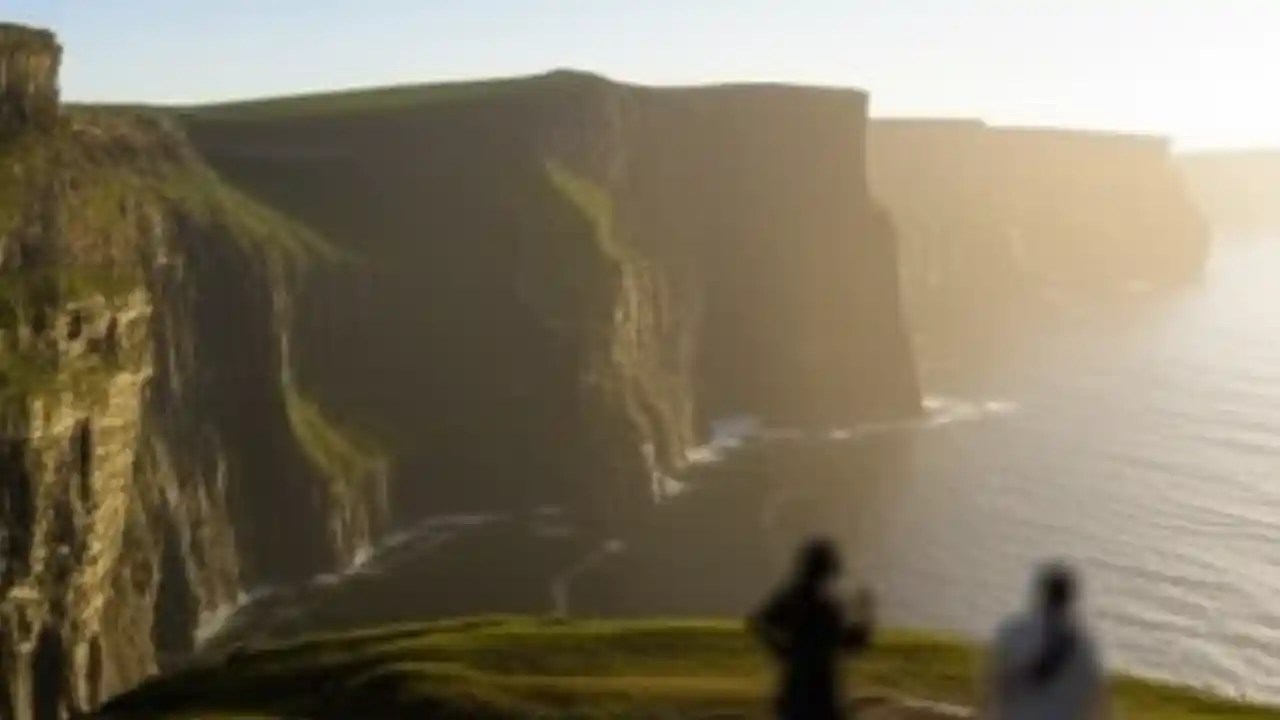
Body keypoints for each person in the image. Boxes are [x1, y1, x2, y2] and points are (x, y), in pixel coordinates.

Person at [751, 538, 875, 720]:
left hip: (795, 689)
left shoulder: (791, 598)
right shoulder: (828, 607)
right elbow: (851, 644)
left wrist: (780, 650)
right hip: (823, 691)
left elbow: (760, 622)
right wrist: (865, 615)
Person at [983, 562, 1111, 720]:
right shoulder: (1085, 647)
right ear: (1071, 600)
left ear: (1041, 594)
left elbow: (993, 689)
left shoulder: (1013, 632)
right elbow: (1096, 703)